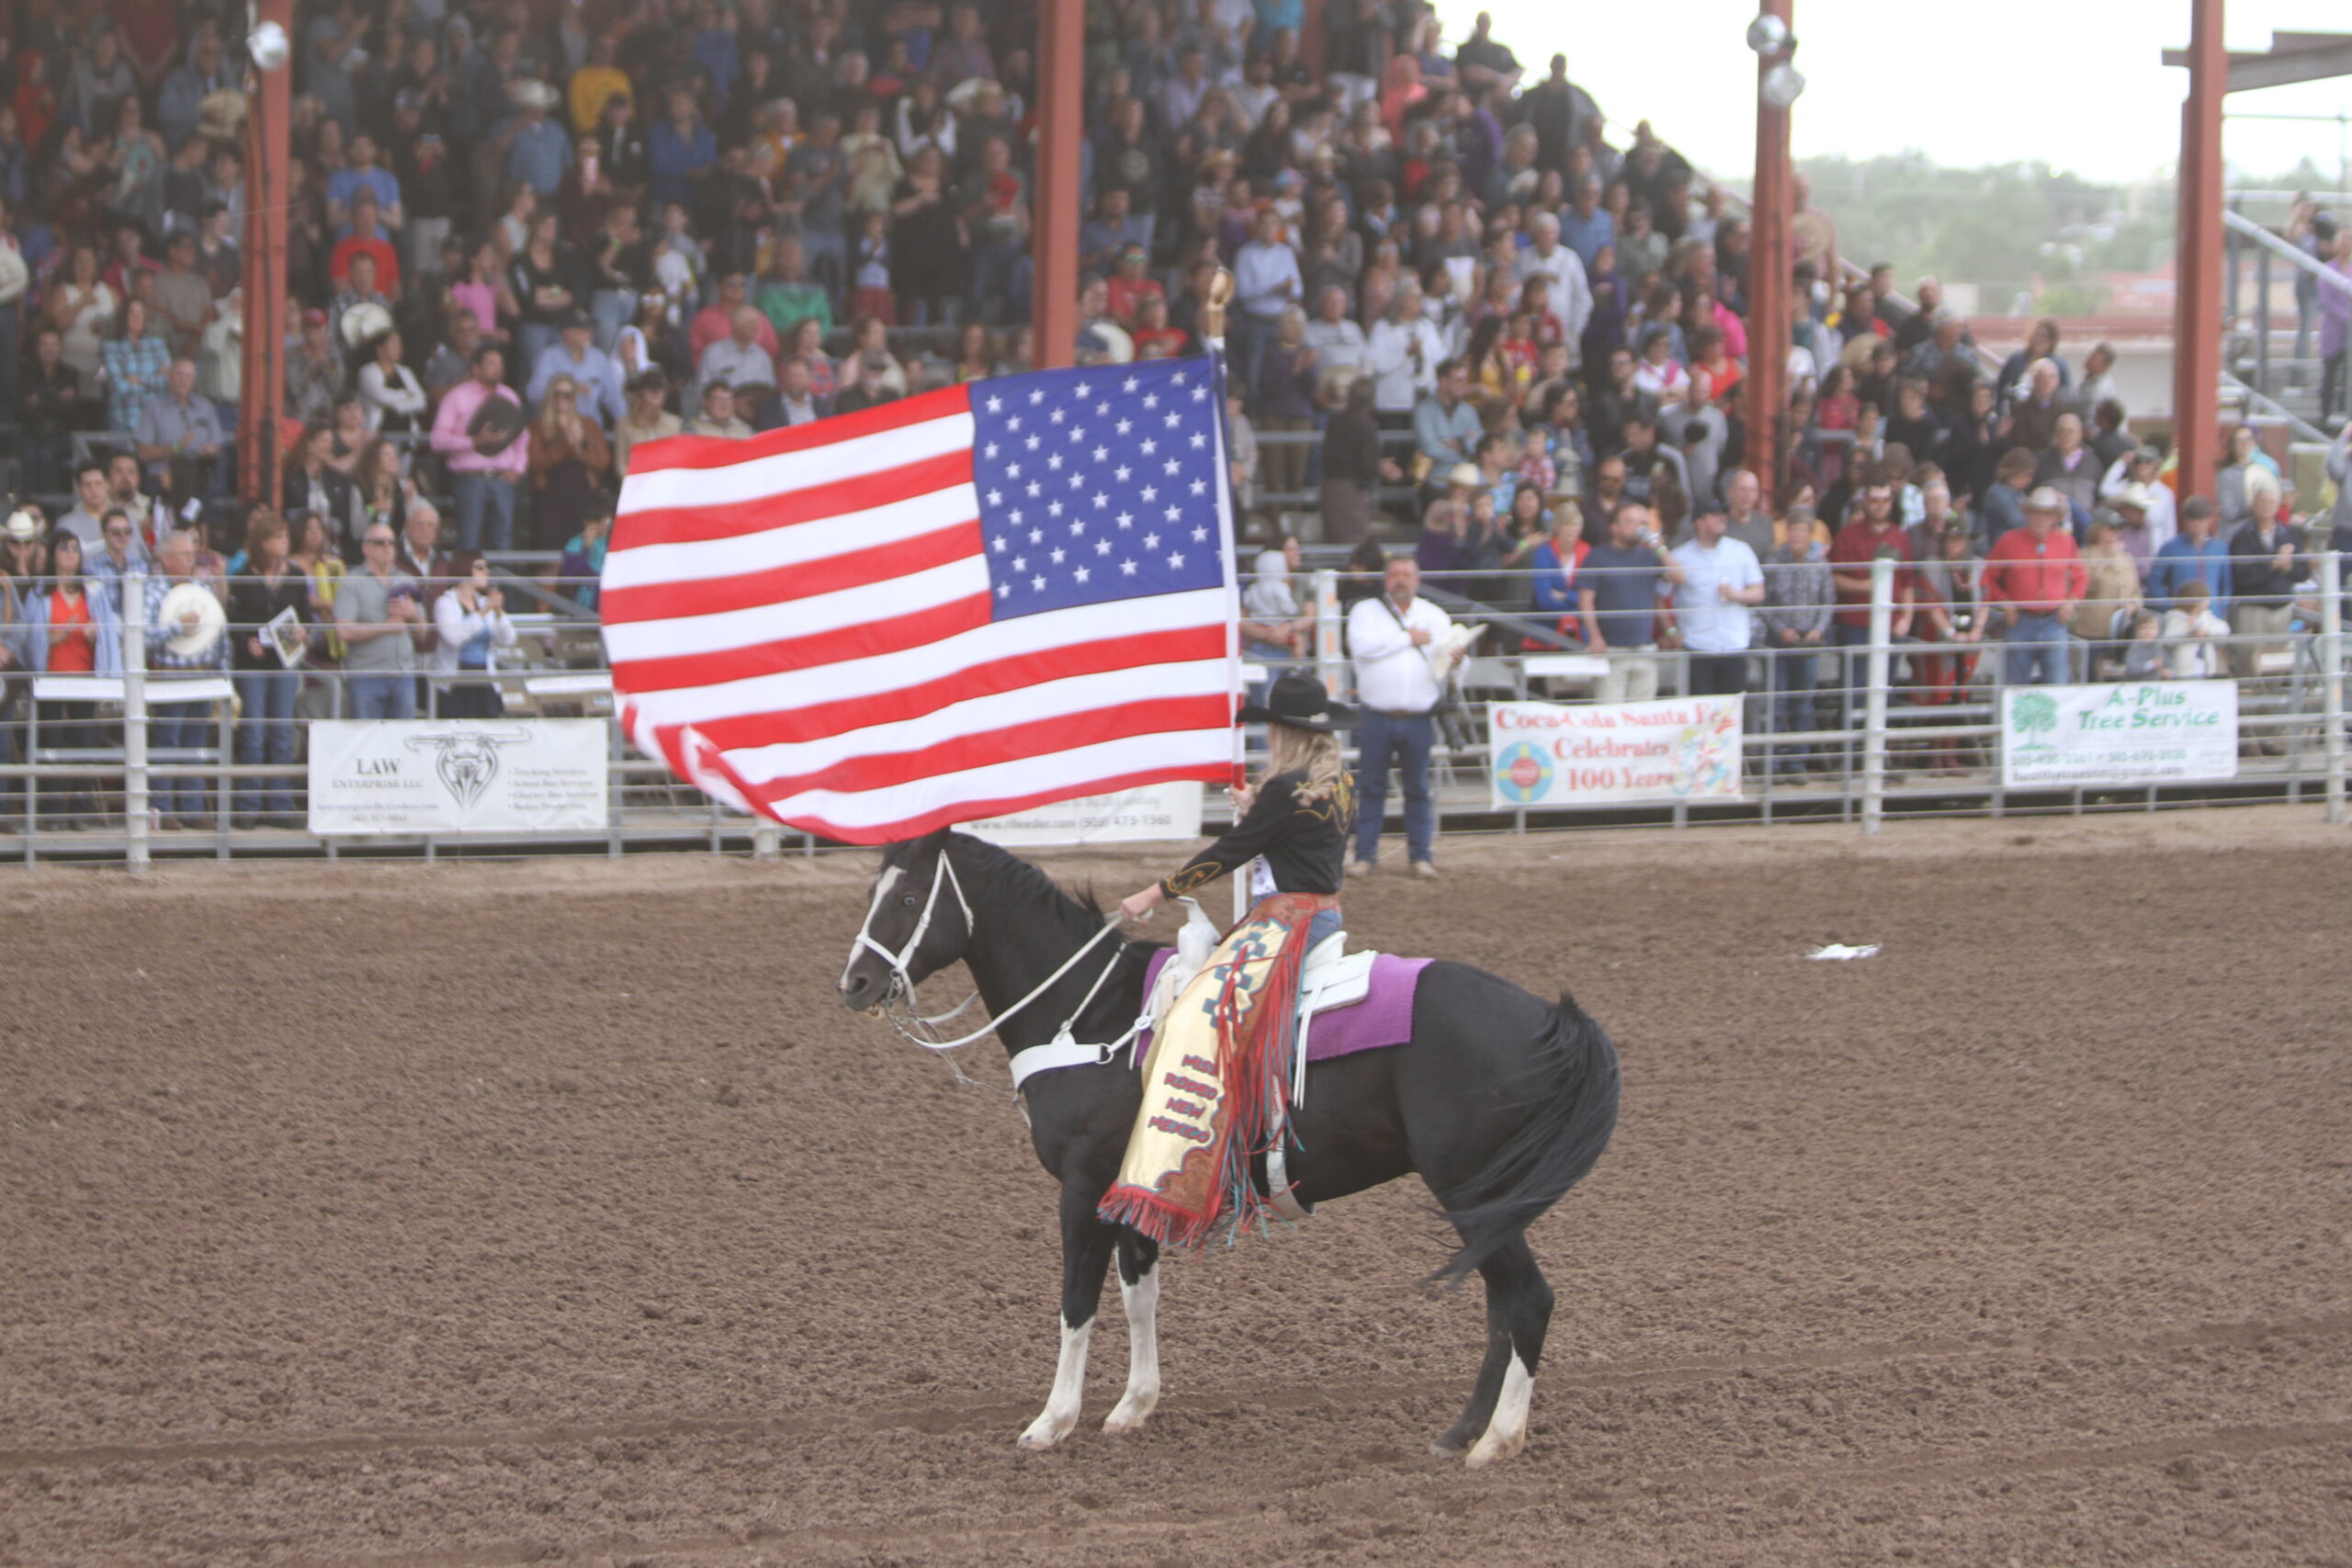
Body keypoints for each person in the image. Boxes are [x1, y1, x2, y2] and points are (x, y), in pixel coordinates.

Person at [1345, 555, 1452, 878]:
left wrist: (1458, 661)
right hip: (1376, 714)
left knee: (1417, 789)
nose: (1401, 579)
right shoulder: (1365, 612)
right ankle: (1365, 856)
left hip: (1419, 716)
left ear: (1417, 578)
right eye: (1395, 574)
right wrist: (1408, 638)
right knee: (1372, 787)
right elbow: (1361, 647)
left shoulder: (1435, 616)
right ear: (1385, 578)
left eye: (1407, 573)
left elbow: (1447, 662)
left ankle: (1421, 857)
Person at [225, 511, 311, 826]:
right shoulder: (243, 576)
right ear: (263, 542)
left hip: (285, 662)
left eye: (287, 536)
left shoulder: (297, 575)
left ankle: (280, 804)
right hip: (253, 664)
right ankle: (248, 805)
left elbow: (306, 618)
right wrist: (246, 640)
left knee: (281, 732)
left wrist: (303, 632)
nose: (284, 542)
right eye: (278, 537)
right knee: (254, 733)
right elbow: (233, 621)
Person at [144, 529, 229, 828]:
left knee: (195, 745)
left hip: (202, 675)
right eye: (184, 554)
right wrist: (176, 627)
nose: (191, 558)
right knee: (169, 742)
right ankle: (163, 810)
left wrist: (223, 673)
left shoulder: (201, 588)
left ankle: (192, 809)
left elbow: (219, 629)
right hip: (169, 676)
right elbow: (143, 636)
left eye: (192, 553)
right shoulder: (153, 590)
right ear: (166, 558)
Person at [1980, 486, 2087, 688]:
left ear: (2055, 517)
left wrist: (2071, 603)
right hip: (2020, 620)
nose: (2041, 518)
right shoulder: (2009, 541)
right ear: (2027, 513)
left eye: (2047, 514)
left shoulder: (2066, 541)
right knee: (2015, 686)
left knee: (2057, 686)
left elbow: (2081, 577)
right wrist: (2005, 603)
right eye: (2036, 512)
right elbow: (1988, 577)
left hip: (2054, 621)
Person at [429, 345, 530, 551]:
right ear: (475, 368)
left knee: (502, 541)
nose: (497, 368)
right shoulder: (457, 396)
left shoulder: (509, 395)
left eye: (500, 363)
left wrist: (517, 469)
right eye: (491, 363)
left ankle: (499, 584)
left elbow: (522, 436)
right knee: (468, 541)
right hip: (469, 479)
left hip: (503, 479)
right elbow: (437, 440)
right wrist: (473, 442)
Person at [1578, 500, 1680, 703]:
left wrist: (1660, 547)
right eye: (1631, 522)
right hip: (1612, 649)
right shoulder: (1597, 556)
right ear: (1614, 527)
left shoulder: (1650, 556)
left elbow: (1680, 577)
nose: (1639, 527)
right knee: (1609, 715)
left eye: (1643, 522)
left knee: (1641, 718)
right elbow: (1585, 600)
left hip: (1645, 648)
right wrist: (1595, 636)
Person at [1664, 502, 1764, 697]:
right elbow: (1659, 597)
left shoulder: (1741, 550)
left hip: (1734, 644)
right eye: (1715, 515)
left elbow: (1759, 592)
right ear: (1699, 523)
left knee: (1731, 711)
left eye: (1722, 514)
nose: (1722, 519)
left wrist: (1737, 595)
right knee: (1700, 711)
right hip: (1698, 645)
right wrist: (1670, 630)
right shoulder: (1680, 556)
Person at [1759, 507, 1833, 773]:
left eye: (1802, 530)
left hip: (1809, 642)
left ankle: (1798, 761)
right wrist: (1781, 629)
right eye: (1793, 530)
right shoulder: (1774, 560)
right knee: (1777, 702)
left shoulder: (1820, 564)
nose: (1796, 535)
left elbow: (1828, 601)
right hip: (1780, 641)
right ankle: (1774, 763)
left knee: (1803, 702)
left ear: (1811, 534)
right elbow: (1763, 602)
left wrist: (1818, 629)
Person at [334, 521, 426, 718]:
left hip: (404, 674)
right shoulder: (351, 582)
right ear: (365, 548)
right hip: (366, 676)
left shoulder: (407, 580)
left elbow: (423, 634)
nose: (387, 547)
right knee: (367, 742)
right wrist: (386, 627)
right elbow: (344, 631)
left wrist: (414, 615)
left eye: (391, 543)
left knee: (402, 743)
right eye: (380, 542)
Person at [2226, 471, 2301, 696]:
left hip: (2281, 608)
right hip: (2253, 609)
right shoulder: (2242, 537)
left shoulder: (2290, 534)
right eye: (2263, 502)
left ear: (2278, 505)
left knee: (2276, 667)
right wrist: (2273, 565)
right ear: (2254, 505)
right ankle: (2248, 725)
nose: (2267, 506)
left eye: (2271, 502)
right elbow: (2242, 577)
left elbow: (2302, 571)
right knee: (2248, 665)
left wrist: (2289, 566)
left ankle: (2272, 722)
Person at [430, 552, 518, 717]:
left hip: (484, 679)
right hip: (454, 683)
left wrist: (499, 614)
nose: (487, 572)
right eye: (480, 568)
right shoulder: (445, 603)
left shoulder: (485, 602)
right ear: (464, 570)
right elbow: (454, 638)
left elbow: (509, 639)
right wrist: (483, 612)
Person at [2162, 581, 2230, 680]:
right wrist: (2188, 630)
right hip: (2184, 670)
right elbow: (2168, 640)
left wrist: (2207, 631)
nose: (2208, 602)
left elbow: (2225, 628)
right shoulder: (2175, 617)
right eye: (2204, 599)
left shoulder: (2206, 616)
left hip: (2206, 668)